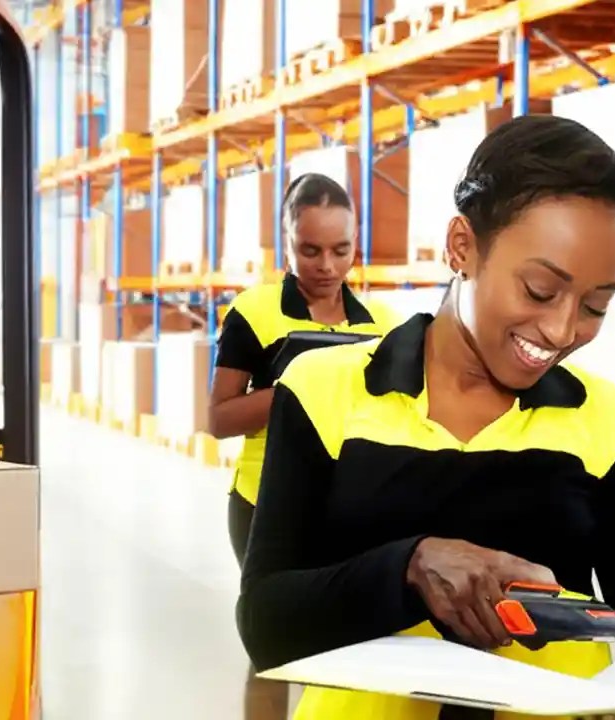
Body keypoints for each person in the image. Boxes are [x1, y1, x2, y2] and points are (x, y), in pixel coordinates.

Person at [236, 115, 615, 720]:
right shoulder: (323, 392)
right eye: (541, 290)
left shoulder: (605, 420)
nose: (563, 330)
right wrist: (409, 566)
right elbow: (266, 626)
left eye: (596, 304)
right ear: (463, 246)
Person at [209, 172, 401, 719]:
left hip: (348, 506)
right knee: (272, 644)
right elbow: (220, 417)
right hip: (263, 504)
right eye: (309, 249)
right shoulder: (255, 311)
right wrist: (299, 385)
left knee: (340, 647)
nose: (326, 265)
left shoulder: (381, 325)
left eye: (341, 250)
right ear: (286, 240)